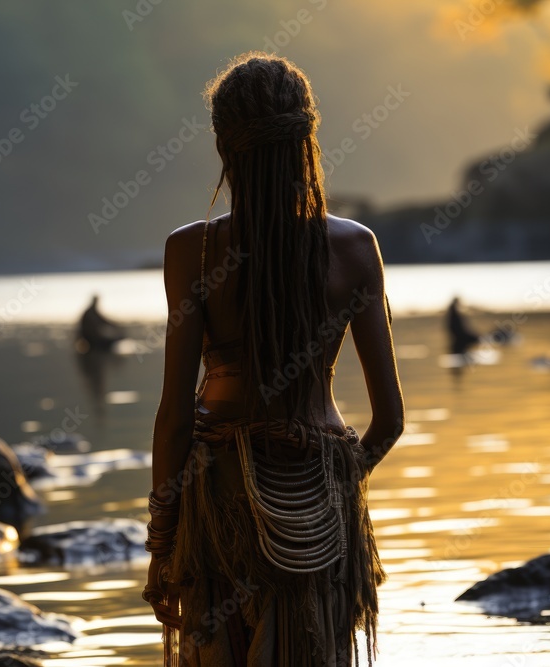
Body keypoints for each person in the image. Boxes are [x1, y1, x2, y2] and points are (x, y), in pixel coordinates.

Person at [143, 52, 404, 666]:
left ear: (224, 148)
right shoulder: (354, 247)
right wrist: (337, 478)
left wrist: (163, 543)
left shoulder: (192, 251)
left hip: (219, 498)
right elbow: (389, 420)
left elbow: (175, 419)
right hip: (322, 497)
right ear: (307, 142)